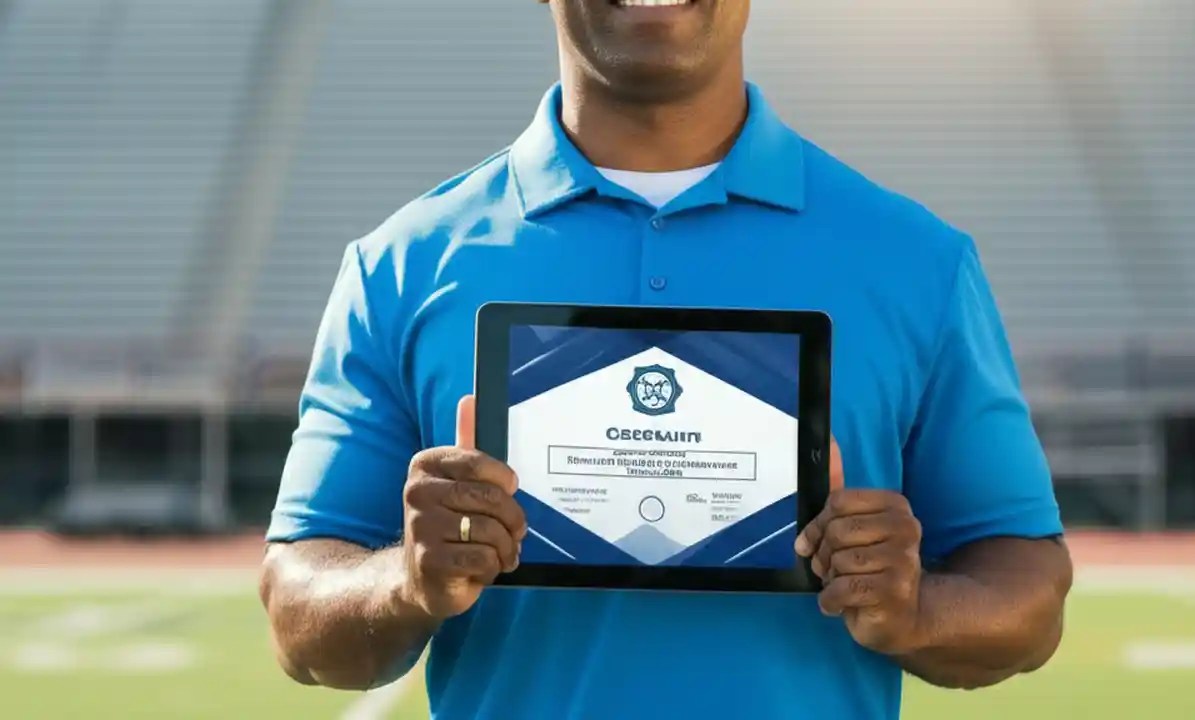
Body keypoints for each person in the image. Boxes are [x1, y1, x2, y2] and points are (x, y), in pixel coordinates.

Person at [259, 1, 1074, 718]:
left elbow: (1029, 594)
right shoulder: (401, 265)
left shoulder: (916, 262)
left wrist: (917, 609)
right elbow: (299, 615)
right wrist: (407, 580)